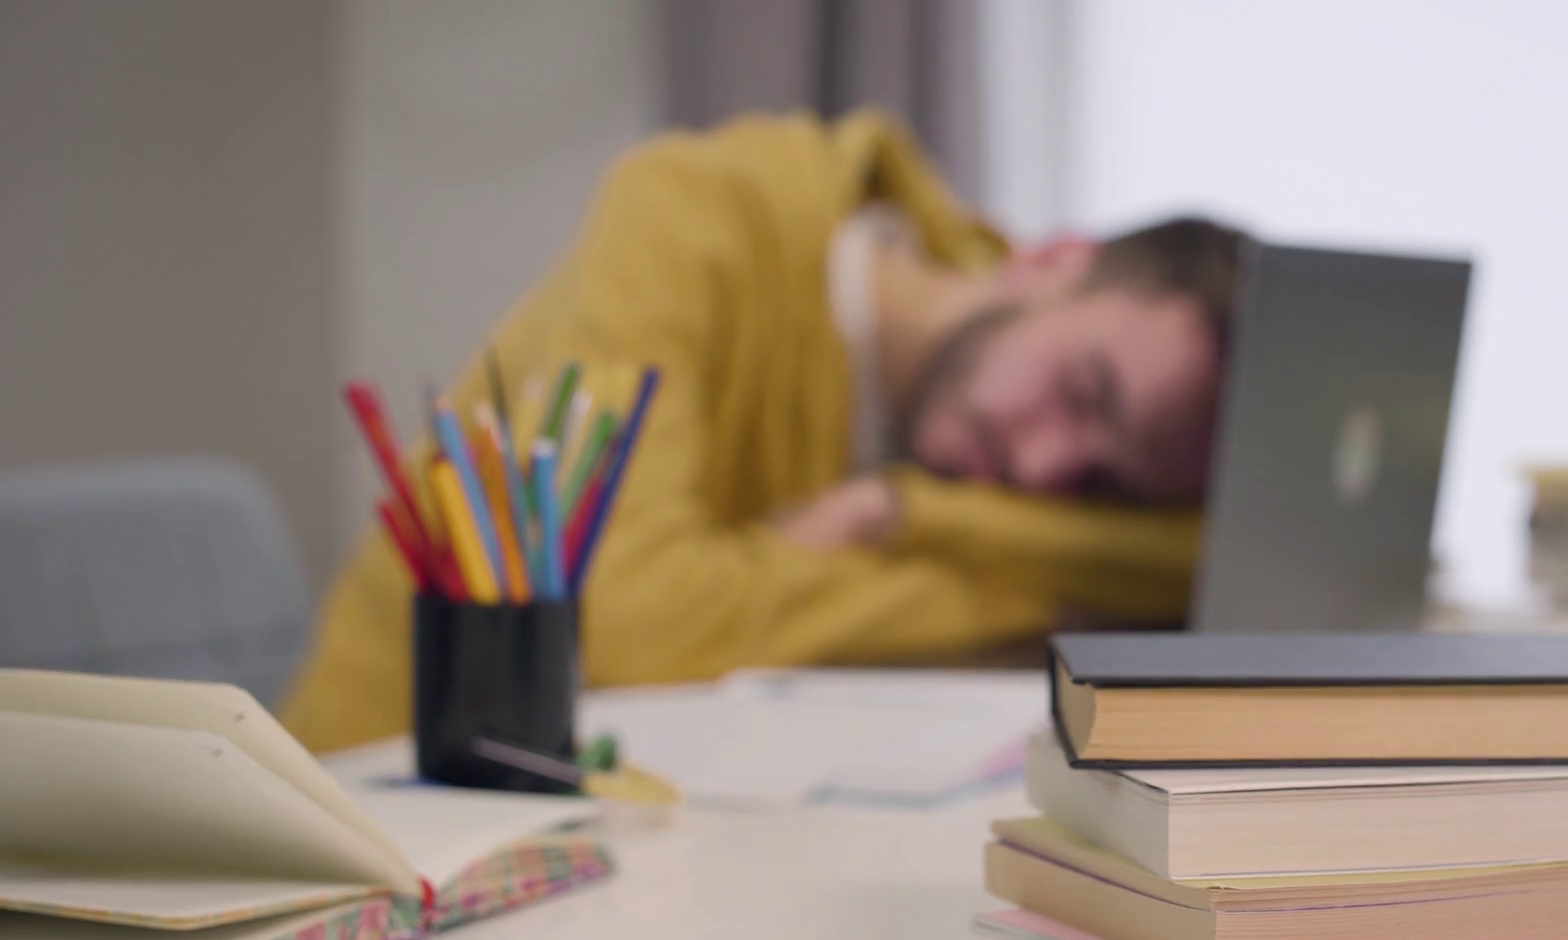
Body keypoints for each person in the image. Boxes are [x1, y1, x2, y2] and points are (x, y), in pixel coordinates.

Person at [281, 109, 1245, 752]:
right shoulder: (689, 214)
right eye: (1085, 392)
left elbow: (1193, 565)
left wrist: (886, 515)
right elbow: (630, 634)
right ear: (1052, 259)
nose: (1043, 468)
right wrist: (938, 533)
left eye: (1099, 495)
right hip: (383, 801)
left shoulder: (983, 432)